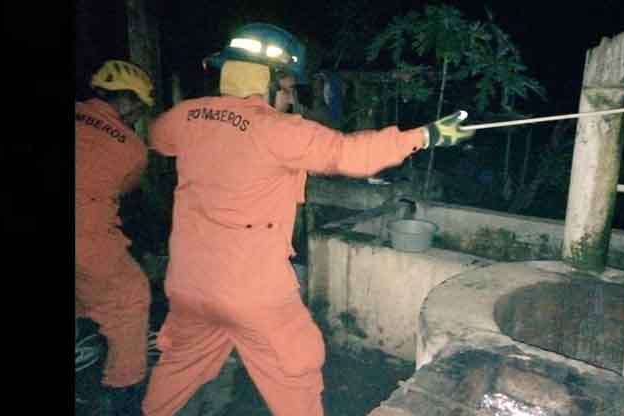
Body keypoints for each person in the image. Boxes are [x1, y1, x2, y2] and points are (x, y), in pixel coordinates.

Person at [140, 23, 474, 416]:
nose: (288, 98)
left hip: (189, 282)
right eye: (286, 88)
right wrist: (425, 135)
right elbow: (351, 155)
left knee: (181, 362)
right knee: (294, 369)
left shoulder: (186, 116)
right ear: (267, 82)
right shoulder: (277, 129)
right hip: (252, 290)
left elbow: (156, 137)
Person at [75, 59, 155, 415]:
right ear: (125, 101)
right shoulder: (132, 148)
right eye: (138, 105)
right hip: (85, 240)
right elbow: (124, 189)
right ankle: (124, 395)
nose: (138, 113)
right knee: (129, 300)